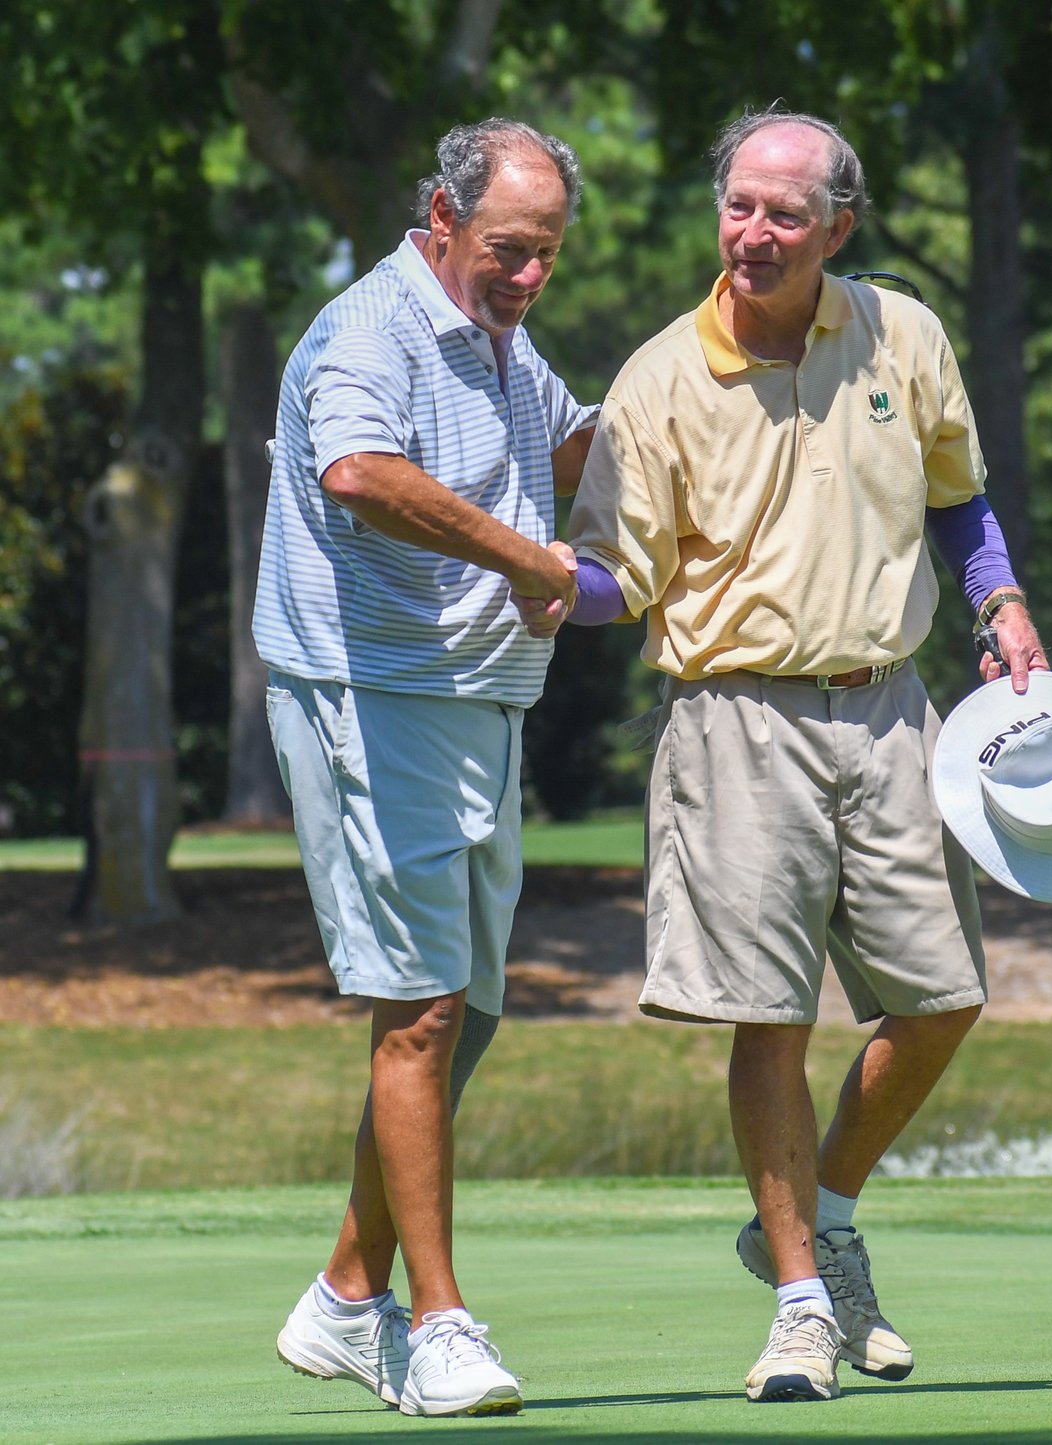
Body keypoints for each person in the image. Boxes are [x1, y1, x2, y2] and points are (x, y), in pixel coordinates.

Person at [559, 108, 1048, 1403]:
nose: (754, 232)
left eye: (784, 212)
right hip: (732, 723)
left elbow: (958, 497)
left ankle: (822, 1214)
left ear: (839, 224)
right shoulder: (659, 377)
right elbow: (620, 572)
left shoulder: (904, 335)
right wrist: (552, 585)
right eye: (738, 206)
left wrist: (1000, 605)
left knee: (941, 997)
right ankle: (795, 1309)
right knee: (766, 1019)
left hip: (890, 709)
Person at [253, 118, 595, 1419]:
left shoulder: (502, 334)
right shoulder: (371, 329)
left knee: (470, 1009)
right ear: (440, 220)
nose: (528, 275)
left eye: (549, 253)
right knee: (420, 1009)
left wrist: (713, 434)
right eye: (510, 248)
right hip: (369, 692)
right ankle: (437, 1323)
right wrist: (525, 559)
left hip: (476, 698)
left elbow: (572, 450)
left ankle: (345, 1292)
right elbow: (357, 471)